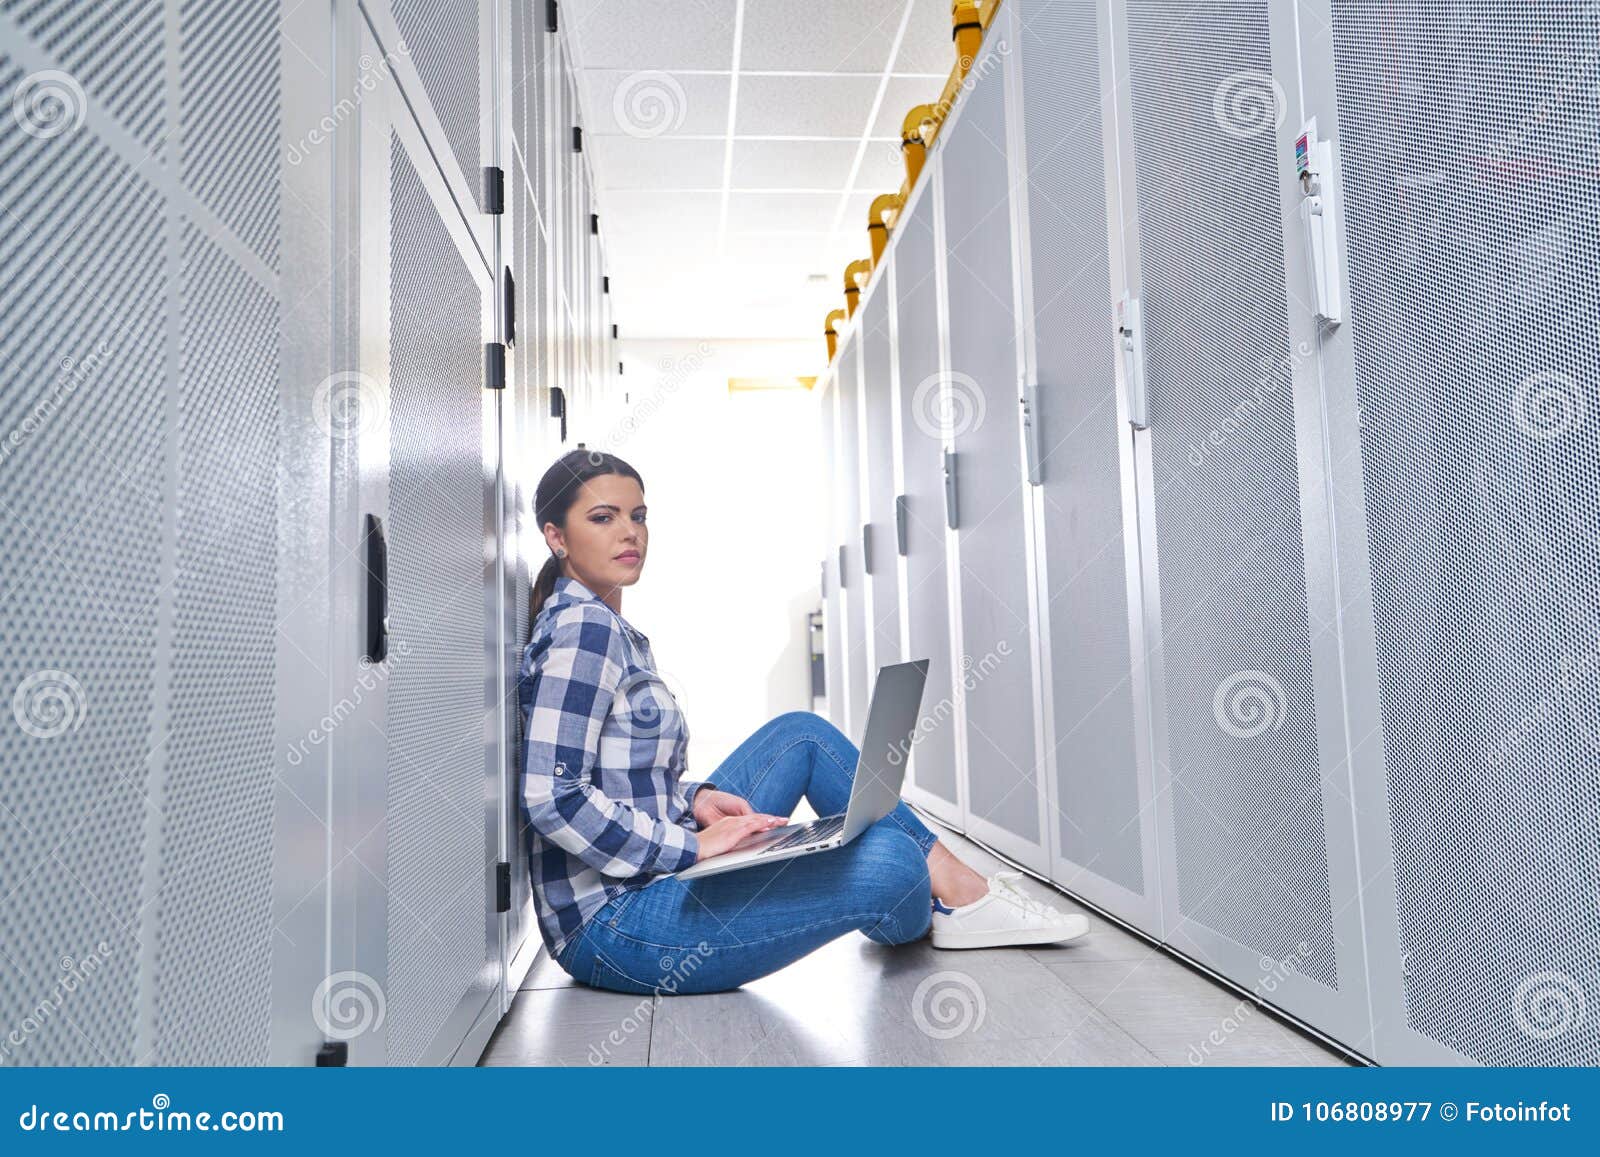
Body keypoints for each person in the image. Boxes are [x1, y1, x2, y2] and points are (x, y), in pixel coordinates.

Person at [518, 448, 1087, 995]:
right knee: (891, 863)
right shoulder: (585, 631)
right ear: (557, 537)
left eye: (638, 516)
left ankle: (954, 893)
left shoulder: (607, 625)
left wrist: (695, 800)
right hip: (615, 923)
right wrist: (691, 849)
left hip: (653, 867)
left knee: (803, 735)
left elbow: (617, 772)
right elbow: (551, 797)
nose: (630, 533)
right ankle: (942, 897)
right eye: (603, 517)